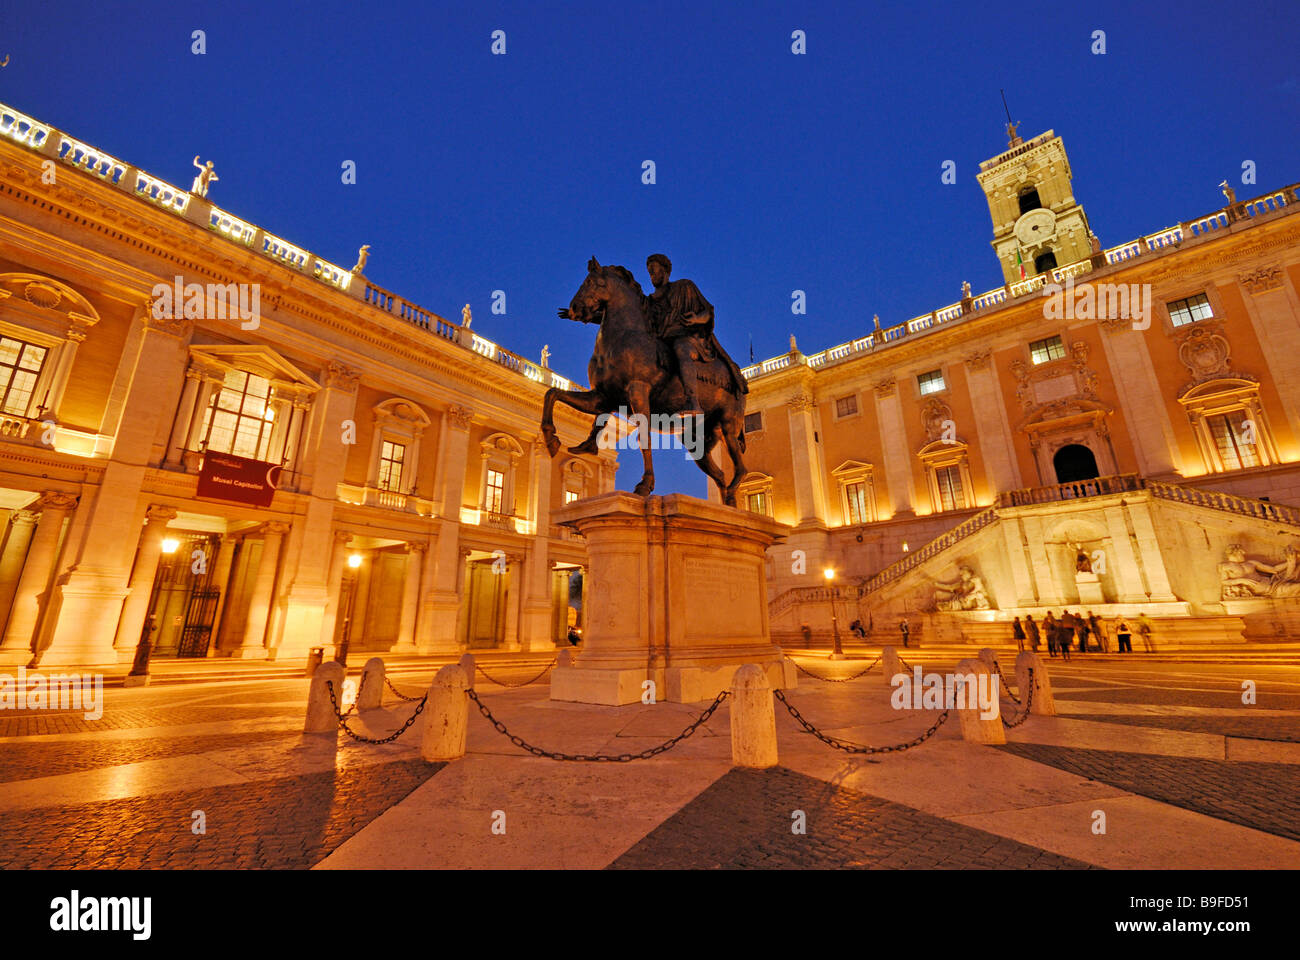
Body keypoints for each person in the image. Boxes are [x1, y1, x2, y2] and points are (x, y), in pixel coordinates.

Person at [644, 254, 748, 416]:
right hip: (662, 342)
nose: (651, 276)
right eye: (649, 272)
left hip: (689, 339)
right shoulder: (650, 302)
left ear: (665, 271)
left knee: (681, 348)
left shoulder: (685, 287)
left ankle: (692, 401)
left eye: (654, 271)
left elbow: (707, 311)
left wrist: (696, 319)